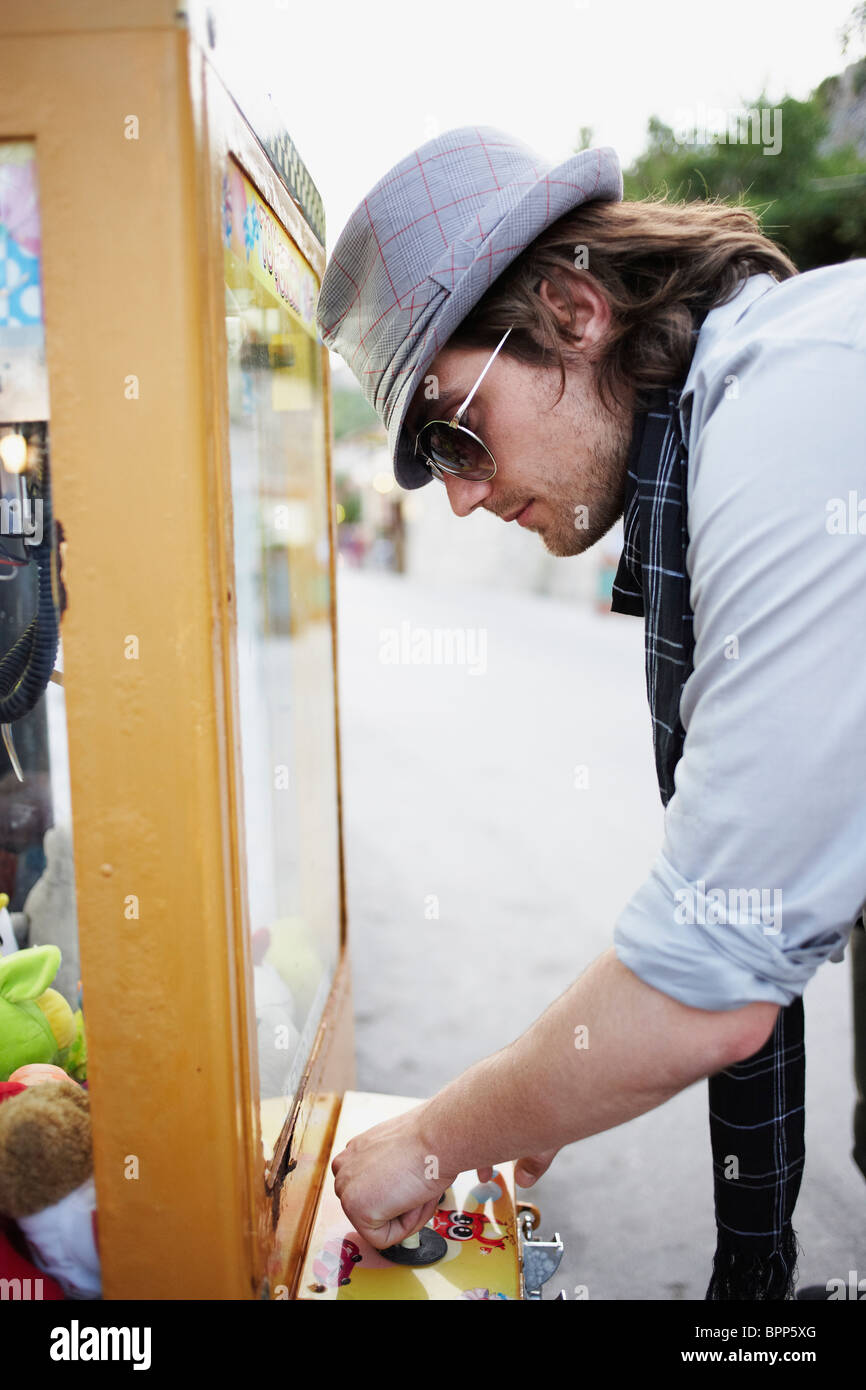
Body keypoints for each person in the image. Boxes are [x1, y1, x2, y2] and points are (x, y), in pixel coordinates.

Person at [315, 126, 866, 1300]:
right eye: (425, 461)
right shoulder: (740, 414)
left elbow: (704, 981)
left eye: (451, 430)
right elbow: (735, 918)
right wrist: (562, 1074)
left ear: (572, 312)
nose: (457, 497)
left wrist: (434, 1137)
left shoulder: (784, 412)